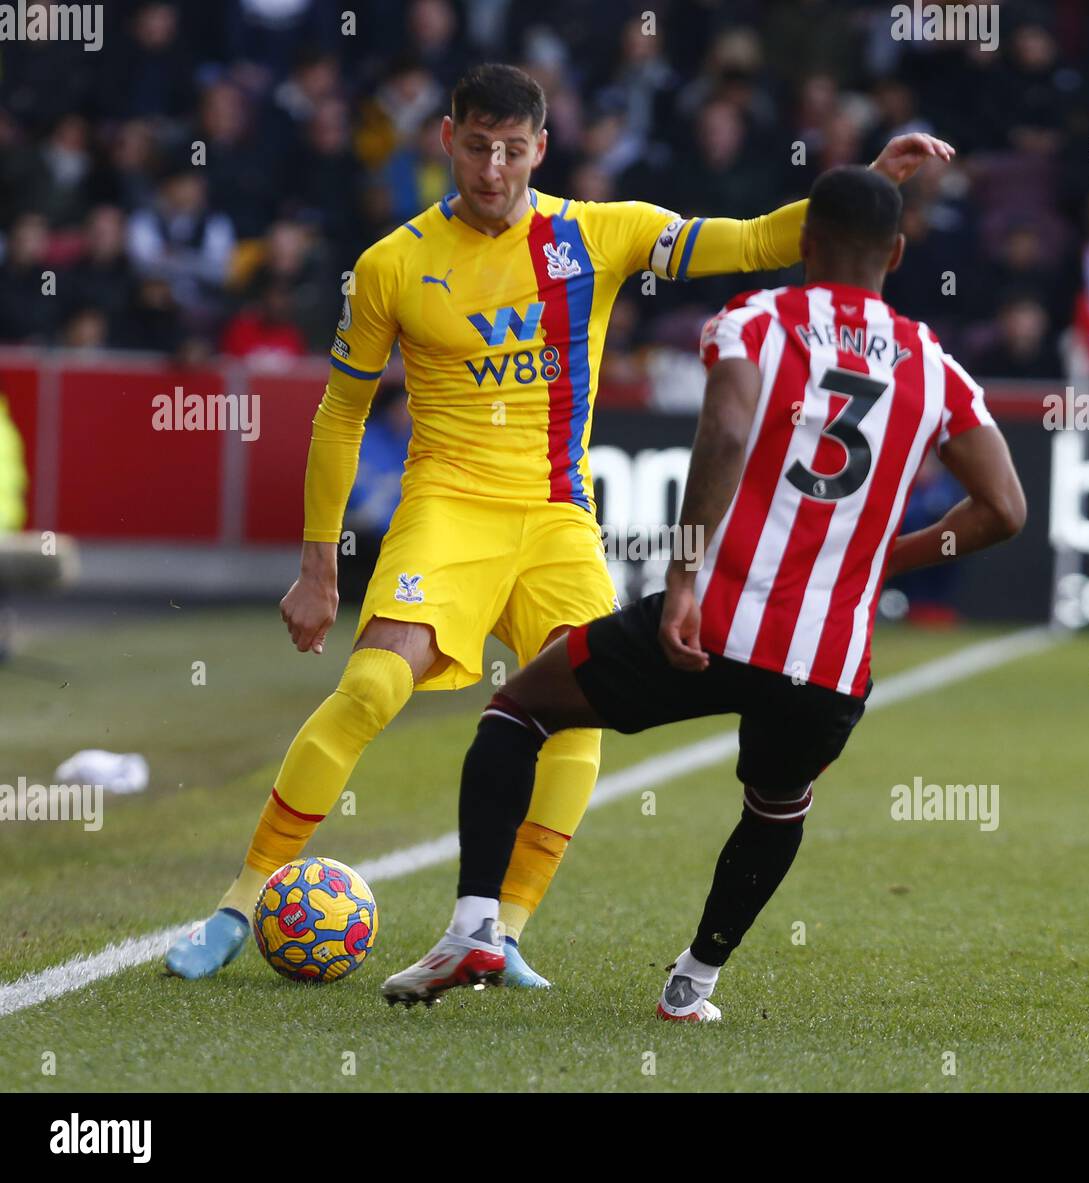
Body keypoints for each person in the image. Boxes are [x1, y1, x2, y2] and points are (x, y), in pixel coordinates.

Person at [163, 62, 953, 986]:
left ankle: (505, 933)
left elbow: (747, 242)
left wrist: (865, 184)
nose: (492, 169)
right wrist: (318, 566)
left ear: (541, 148)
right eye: (474, 146)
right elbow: (340, 414)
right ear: (446, 139)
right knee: (374, 685)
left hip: (556, 516)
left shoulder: (597, 235)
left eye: (510, 150)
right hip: (447, 508)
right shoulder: (391, 265)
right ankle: (239, 901)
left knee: (577, 717)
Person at [381, 165, 1025, 1019]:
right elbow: (1006, 509)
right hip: (829, 656)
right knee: (778, 801)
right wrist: (884, 561)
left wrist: (683, 578)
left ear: (803, 244)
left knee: (519, 711)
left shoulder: (756, 322)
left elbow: (724, 428)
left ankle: (474, 925)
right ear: (899, 253)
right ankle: (694, 979)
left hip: (714, 616)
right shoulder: (936, 367)